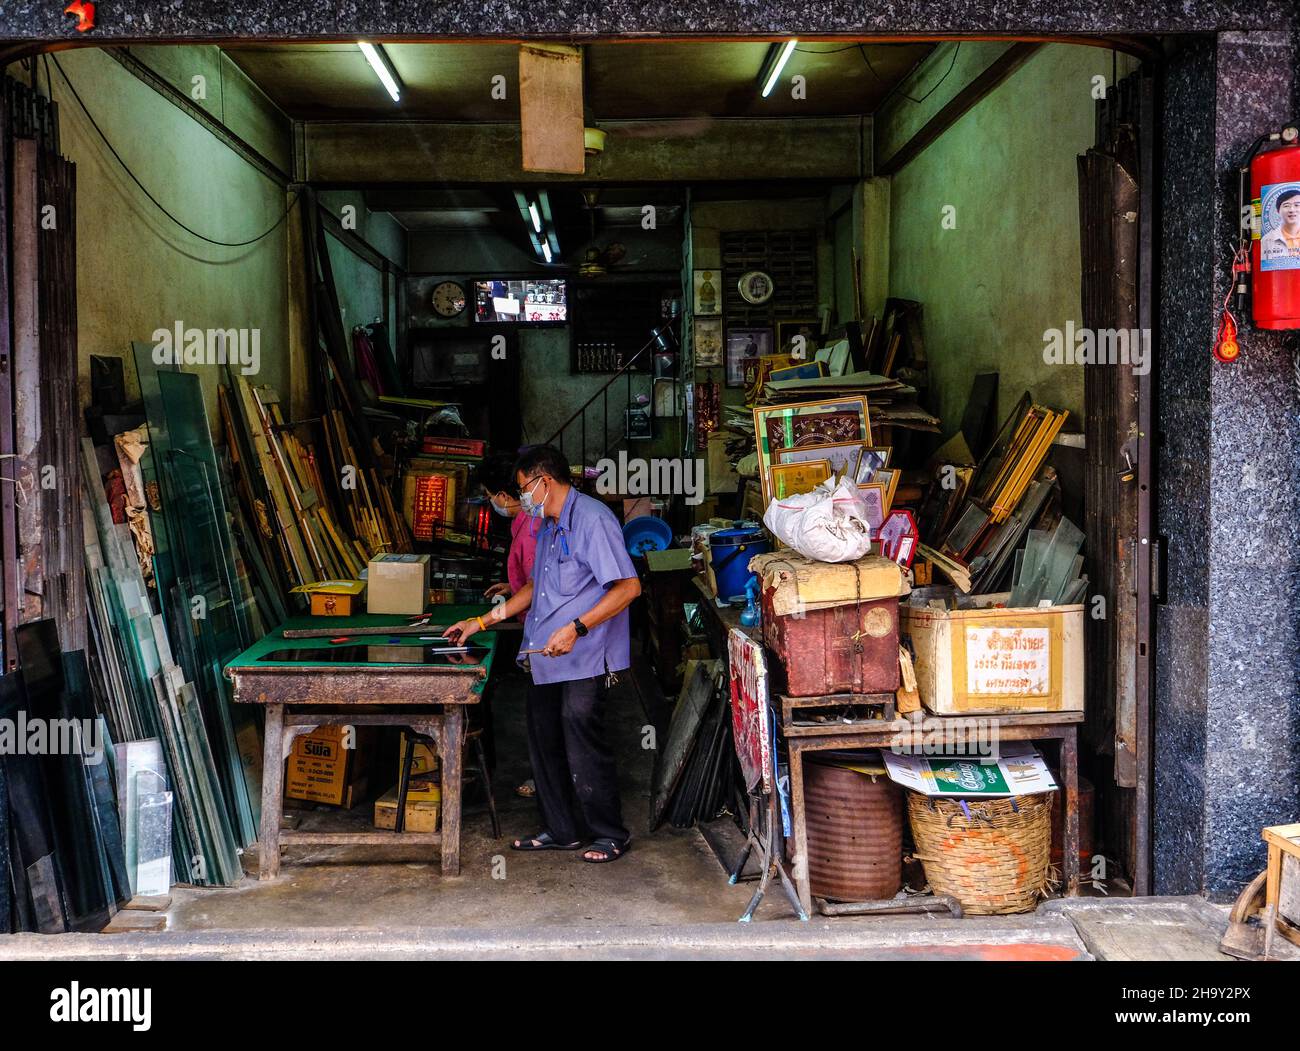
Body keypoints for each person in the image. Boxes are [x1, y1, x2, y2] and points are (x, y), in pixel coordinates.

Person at [446, 445, 640, 863]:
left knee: (581, 735)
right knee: (543, 735)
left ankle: (610, 834)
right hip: (545, 655)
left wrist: (577, 628)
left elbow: (628, 587)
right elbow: (534, 588)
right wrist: (480, 622)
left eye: (522, 488)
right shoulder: (548, 524)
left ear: (543, 481)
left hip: (586, 654)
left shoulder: (592, 519)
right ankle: (562, 829)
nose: (520, 498)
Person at [476, 453, 538, 794]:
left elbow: (537, 586)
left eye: (489, 495)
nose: (490, 502)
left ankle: (547, 779)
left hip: (543, 628)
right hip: (532, 618)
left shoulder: (531, 527)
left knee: (545, 710)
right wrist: (512, 587)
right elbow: (530, 581)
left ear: (504, 495)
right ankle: (547, 777)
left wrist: (482, 622)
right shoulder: (522, 523)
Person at [1260, 187, 1300, 266]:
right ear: (1278, 211)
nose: (1292, 209)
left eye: (1297, 205)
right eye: (1286, 206)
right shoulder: (1266, 240)